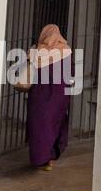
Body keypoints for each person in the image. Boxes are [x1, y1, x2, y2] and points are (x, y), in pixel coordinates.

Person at [19, 25, 75, 171]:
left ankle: (40, 159)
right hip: (59, 96)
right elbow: (71, 72)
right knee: (55, 125)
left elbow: (27, 69)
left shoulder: (35, 51)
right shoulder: (66, 50)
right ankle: (49, 158)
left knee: (39, 126)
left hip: (39, 96)